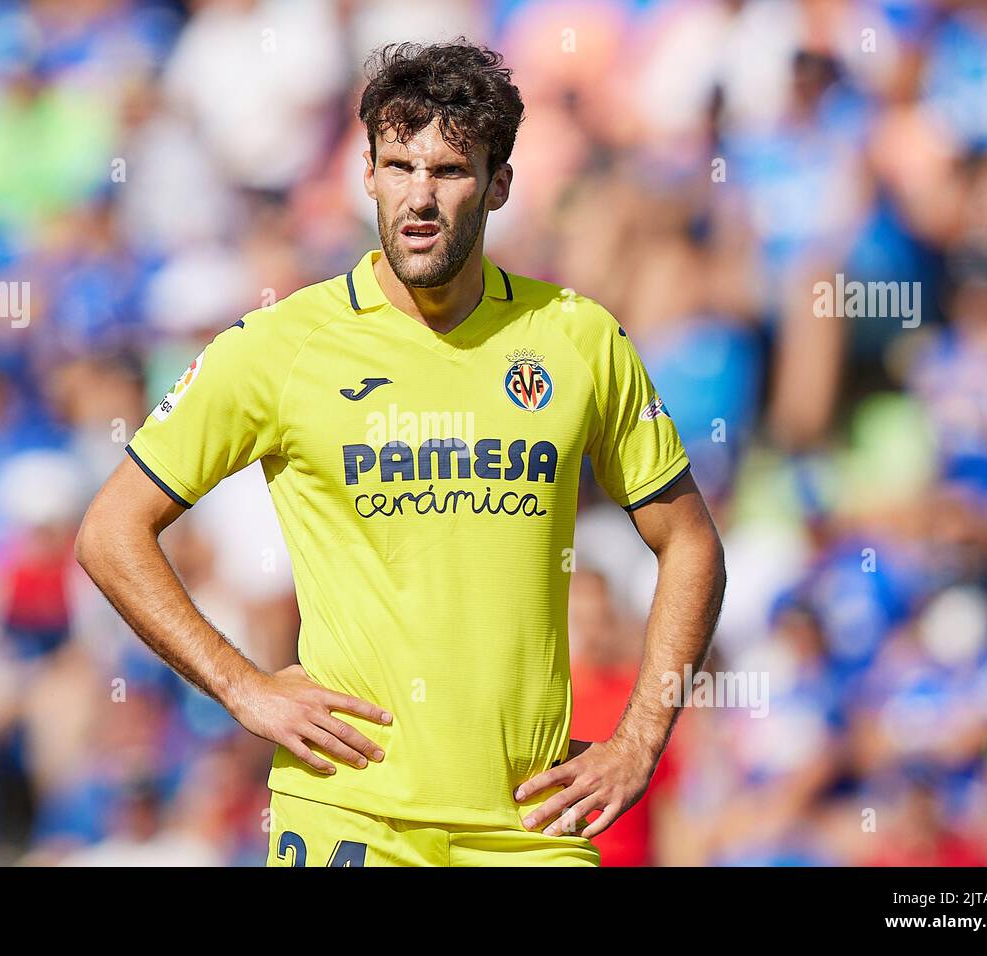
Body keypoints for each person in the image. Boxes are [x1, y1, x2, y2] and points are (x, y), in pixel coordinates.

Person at [75, 39, 726, 867]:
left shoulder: (576, 338)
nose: (420, 196)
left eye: (451, 171)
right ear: (369, 175)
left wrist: (638, 740)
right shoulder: (281, 345)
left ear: (499, 186)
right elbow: (111, 531)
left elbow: (691, 542)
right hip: (350, 815)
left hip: (534, 828)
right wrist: (245, 687)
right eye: (398, 165)